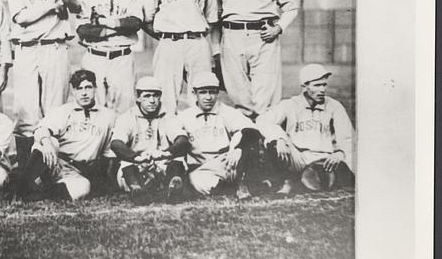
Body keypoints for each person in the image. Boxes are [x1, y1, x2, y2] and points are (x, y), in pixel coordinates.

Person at [8, 0, 82, 165]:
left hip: (55, 47)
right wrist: (52, 5)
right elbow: (22, 18)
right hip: (27, 48)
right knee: (25, 110)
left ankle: (51, 167)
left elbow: (77, 6)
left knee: (55, 108)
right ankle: (25, 170)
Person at [218, 0, 298, 118]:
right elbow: (215, 16)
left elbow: (291, 6)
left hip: (263, 36)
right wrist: (216, 48)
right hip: (232, 36)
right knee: (239, 93)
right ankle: (248, 138)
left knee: (265, 95)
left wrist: (278, 28)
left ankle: (266, 137)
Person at [142, 0, 220, 114]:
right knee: (166, 94)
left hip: (197, 42)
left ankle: (203, 135)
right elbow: (147, 21)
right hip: (170, 43)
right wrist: (165, 37)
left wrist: (212, 48)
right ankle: (168, 137)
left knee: (201, 91)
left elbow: (212, 20)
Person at [257, 63, 355, 195]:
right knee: (274, 144)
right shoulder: (291, 104)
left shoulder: (334, 106)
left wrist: (340, 153)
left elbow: (348, 136)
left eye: (324, 85)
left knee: (342, 178)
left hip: (325, 159)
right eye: (317, 85)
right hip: (298, 158)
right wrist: (279, 139)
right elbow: (263, 120)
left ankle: (306, 180)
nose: (322, 90)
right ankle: (288, 180)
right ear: (304, 87)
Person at [19, 69, 115, 203]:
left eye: (88, 87)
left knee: (83, 187)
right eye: (79, 88)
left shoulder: (108, 116)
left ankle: (41, 192)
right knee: (48, 141)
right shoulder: (64, 110)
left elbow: (108, 153)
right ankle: (22, 186)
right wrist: (47, 144)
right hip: (55, 162)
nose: (84, 93)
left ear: (95, 88)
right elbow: (40, 130)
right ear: (73, 91)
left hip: (77, 171)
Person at [177, 71, 265, 200]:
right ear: (194, 93)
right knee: (197, 182)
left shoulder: (226, 111)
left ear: (217, 92)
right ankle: (234, 187)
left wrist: (239, 148)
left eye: (212, 92)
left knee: (243, 136)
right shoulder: (184, 117)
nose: (208, 97)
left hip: (227, 163)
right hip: (202, 168)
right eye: (203, 92)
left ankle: (242, 182)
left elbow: (251, 130)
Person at [76, 0, 143, 114]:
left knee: (124, 107)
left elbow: (135, 23)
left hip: (122, 57)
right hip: (95, 56)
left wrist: (103, 22)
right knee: (94, 106)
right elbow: (83, 30)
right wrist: (117, 28)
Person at [110, 77, 190, 204]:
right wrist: (136, 157)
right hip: (138, 165)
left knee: (178, 160)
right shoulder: (127, 117)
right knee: (125, 164)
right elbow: (116, 143)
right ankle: (136, 189)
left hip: (161, 163)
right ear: (138, 97)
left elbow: (183, 140)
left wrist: (167, 153)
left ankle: (173, 188)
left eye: (155, 96)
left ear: (160, 97)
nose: (152, 100)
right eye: (147, 96)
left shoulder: (169, 117)